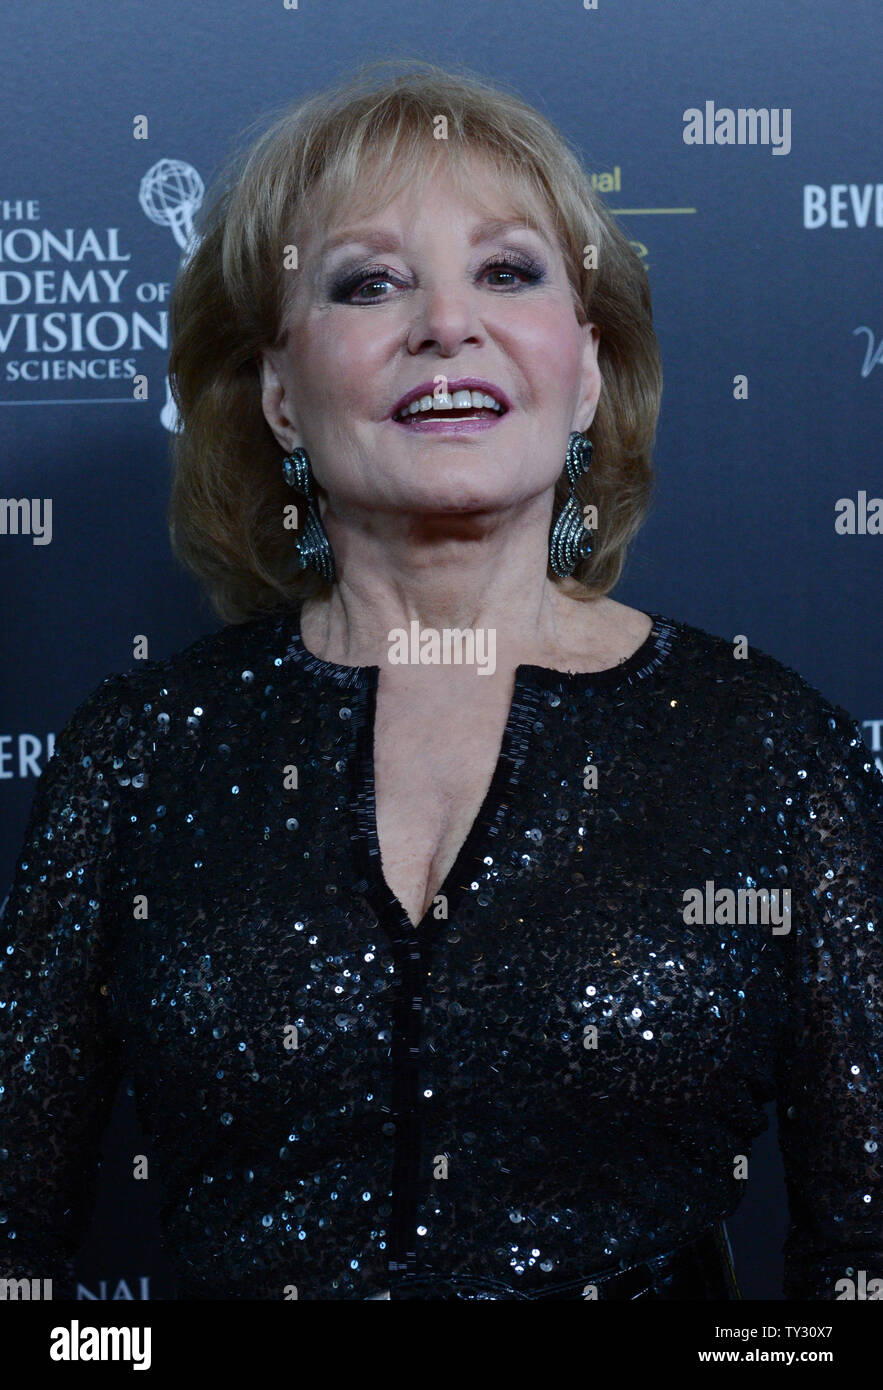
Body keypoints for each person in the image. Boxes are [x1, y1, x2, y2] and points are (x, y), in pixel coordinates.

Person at [1, 62, 880, 1302]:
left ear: (585, 370)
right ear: (278, 394)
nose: (445, 323)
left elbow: (863, 1266)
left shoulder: (772, 750)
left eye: (508, 271)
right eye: (369, 283)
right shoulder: (139, 753)